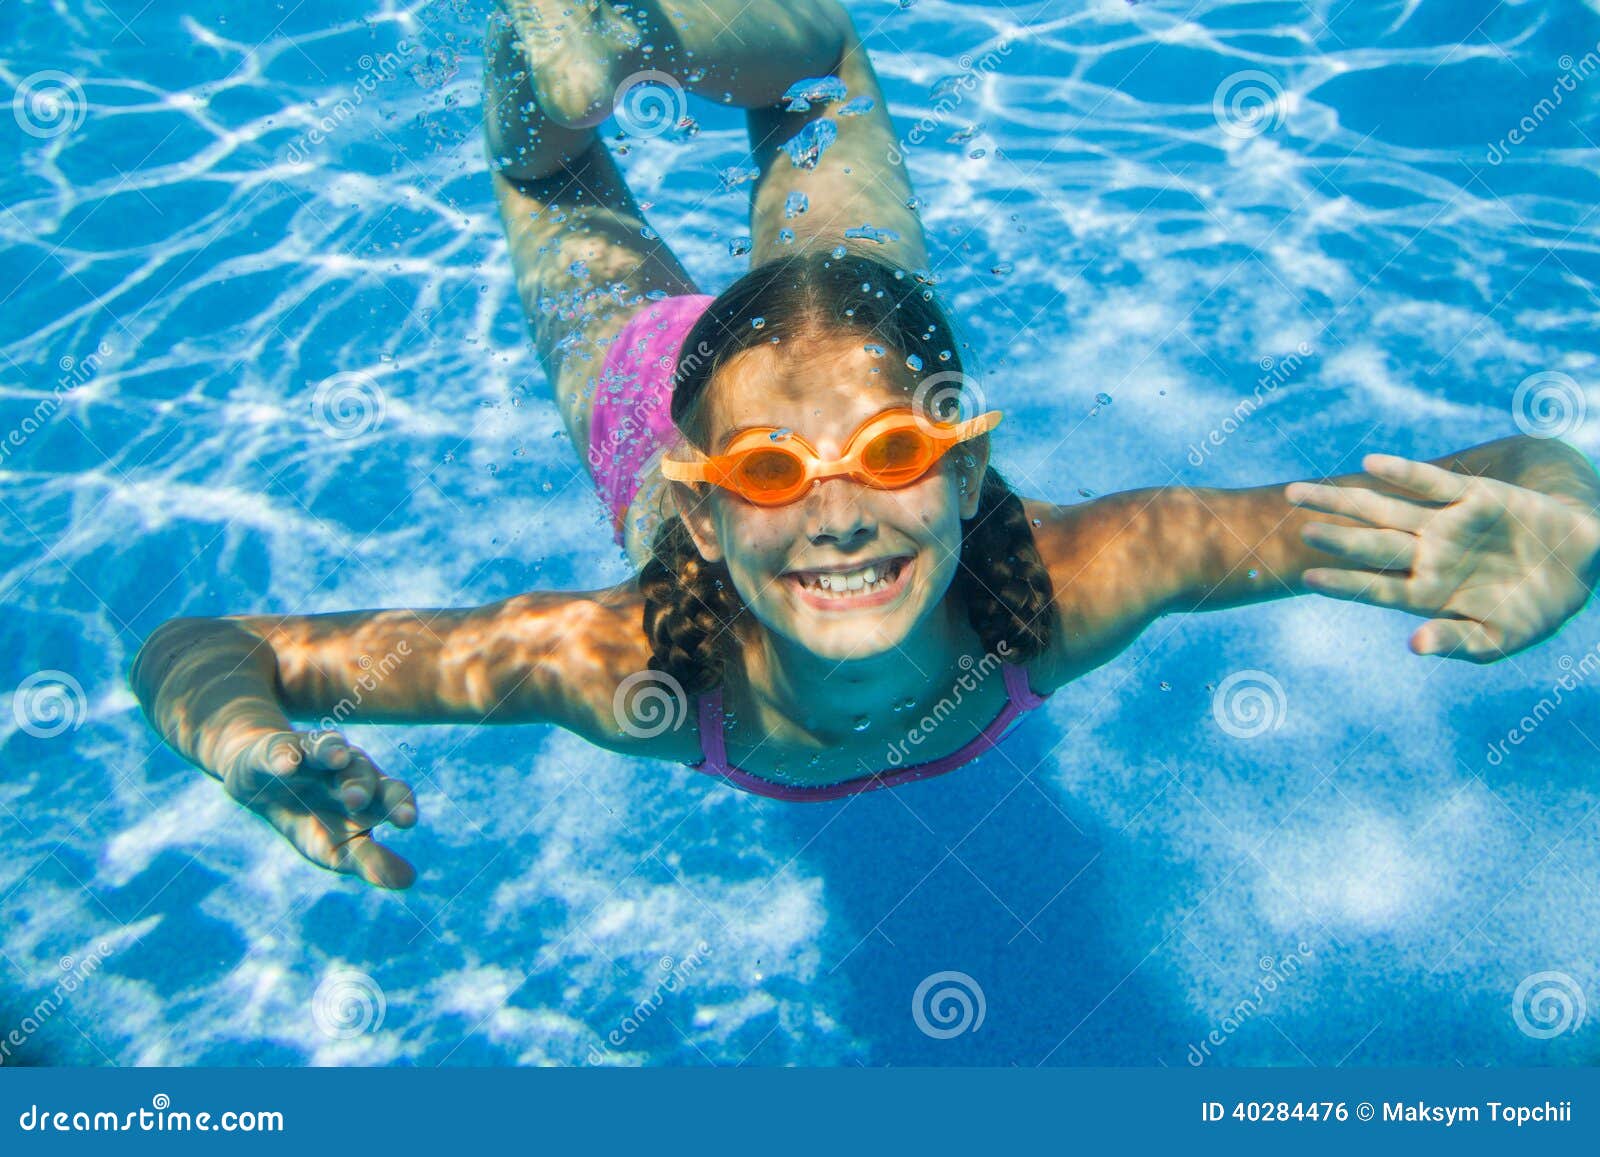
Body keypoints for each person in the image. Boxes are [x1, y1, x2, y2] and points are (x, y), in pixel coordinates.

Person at [129, 0, 1600, 890]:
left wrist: (1570, 515)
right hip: (652, 383)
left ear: (964, 466)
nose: (835, 510)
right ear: (701, 515)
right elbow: (213, 649)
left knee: (813, 71)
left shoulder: (1086, 574)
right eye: (772, 477)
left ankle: (633, 37)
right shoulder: (620, 667)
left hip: (825, 330)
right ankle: (573, 40)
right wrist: (242, 735)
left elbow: (1509, 485)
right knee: (600, 141)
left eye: (892, 454)